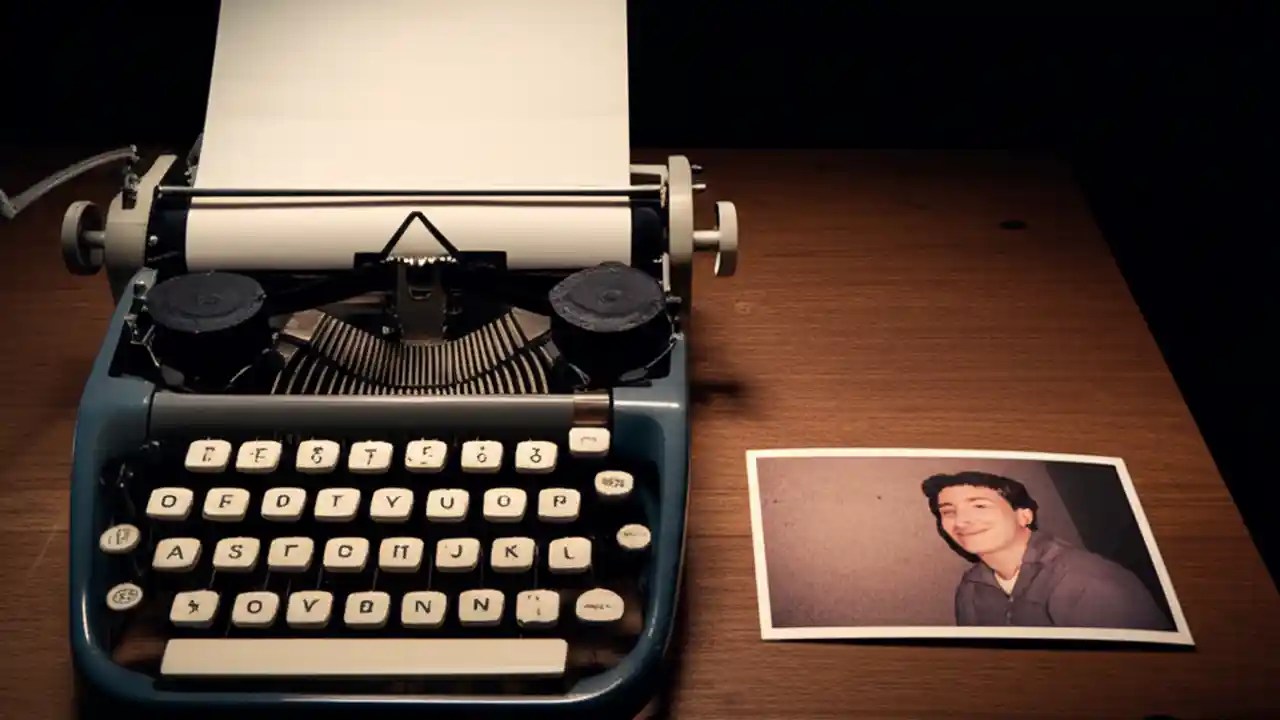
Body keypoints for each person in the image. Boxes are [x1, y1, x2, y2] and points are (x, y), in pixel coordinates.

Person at [921, 471, 1173, 630]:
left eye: (979, 506)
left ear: (1024, 516)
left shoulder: (1086, 579)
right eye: (947, 511)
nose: (960, 520)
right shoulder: (971, 586)